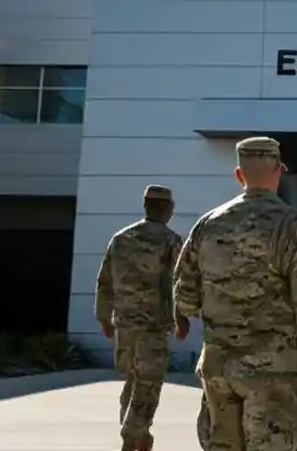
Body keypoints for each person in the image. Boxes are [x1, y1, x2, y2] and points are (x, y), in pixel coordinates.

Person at [173, 136, 297, 451]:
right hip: (271, 369)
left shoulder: (208, 224)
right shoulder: (290, 224)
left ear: (238, 175)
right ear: (278, 172)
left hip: (219, 366)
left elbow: (185, 297)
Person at [95, 184, 190, 451]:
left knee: (133, 381)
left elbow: (105, 281)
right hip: (153, 326)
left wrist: (104, 317)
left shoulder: (121, 238)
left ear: (145, 206)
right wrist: (182, 317)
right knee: (147, 385)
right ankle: (130, 438)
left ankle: (140, 434)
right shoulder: (171, 241)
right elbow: (178, 283)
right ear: (168, 209)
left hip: (124, 324)